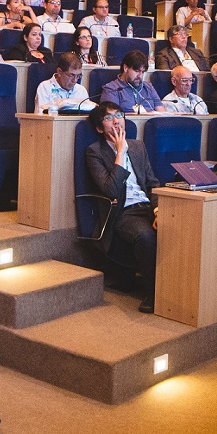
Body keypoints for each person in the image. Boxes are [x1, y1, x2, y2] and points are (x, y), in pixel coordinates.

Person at [83, 104, 158, 313]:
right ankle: (153, 293)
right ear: (99, 128)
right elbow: (110, 190)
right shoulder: (95, 152)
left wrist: (159, 210)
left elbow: (152, 183)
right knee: (146, 237)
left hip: (148, 207)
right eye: (109, 118)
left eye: (119, 115)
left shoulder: (138, 146)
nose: (116, 121)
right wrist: (119, 153)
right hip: (123, 212)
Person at [101, 49, 162, 113]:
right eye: (137, 71)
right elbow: (113, 118)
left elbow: (161, 113)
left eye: (143, 72)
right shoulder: (111, 89)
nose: (140, 75)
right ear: (126, 68)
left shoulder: (148, 87)